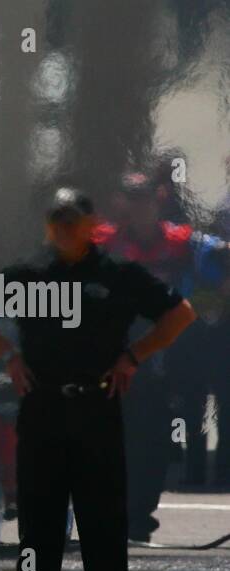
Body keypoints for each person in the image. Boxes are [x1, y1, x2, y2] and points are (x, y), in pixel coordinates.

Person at [0, 188, 195, 571]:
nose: (64, 228)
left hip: (97, 409)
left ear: (91, 224)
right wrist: (8, 355)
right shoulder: (29, 275)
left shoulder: (117, 275)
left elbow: (180, 314)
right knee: (38, 528)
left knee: (103, 526)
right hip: (43, 407)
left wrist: (134, 356)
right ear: (48, 225)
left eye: (73, 219)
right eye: (56, 220)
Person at [95, 173, 228, 518]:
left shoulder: (181, 240)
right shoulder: (106, 241)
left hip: (178, 343)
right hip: (126, 344)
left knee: (191, 403)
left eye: (145, 199)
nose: (139, 208)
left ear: (157, 201)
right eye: (131, 199)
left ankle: (196, 473)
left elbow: (218, 255)